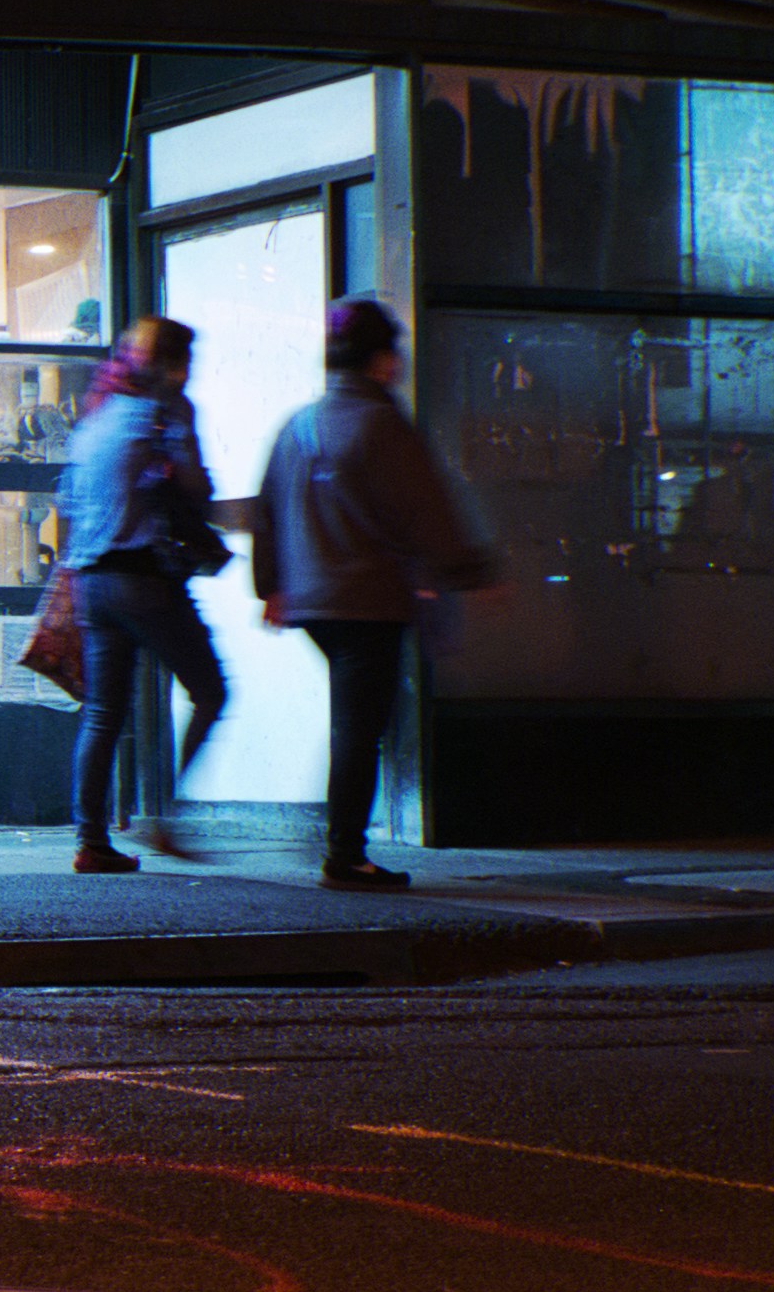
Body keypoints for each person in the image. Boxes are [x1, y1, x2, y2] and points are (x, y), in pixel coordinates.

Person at [251, 295, 497, 892]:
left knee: (353, 721)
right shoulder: (383, 423)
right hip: (366, 598)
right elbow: (427, 512)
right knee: (360, 726)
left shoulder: (299, 423)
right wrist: (470, 570)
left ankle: (337, 838)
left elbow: (265, 513)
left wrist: (271, 586)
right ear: (383, 360)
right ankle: (343, 853)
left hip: (312, 600)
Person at [51, 314, 230, 876]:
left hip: (91, 583)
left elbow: (67, 500)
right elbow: (194, 487)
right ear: (175, 366)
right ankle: (166, 817)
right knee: (209, 691)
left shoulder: (95, 415)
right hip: (142, 577)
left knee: (103, 713)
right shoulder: (164, 414)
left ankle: (91, 842)